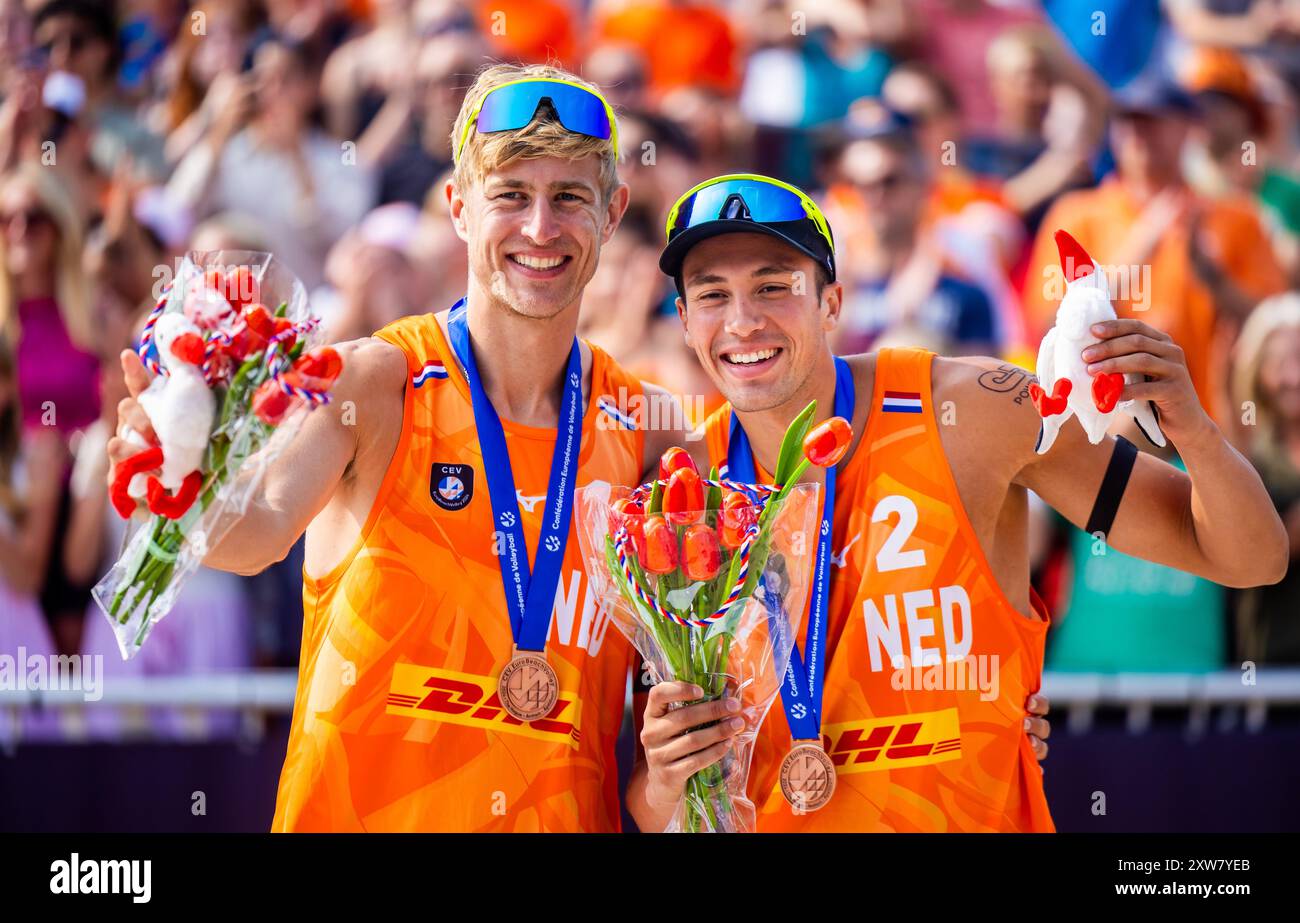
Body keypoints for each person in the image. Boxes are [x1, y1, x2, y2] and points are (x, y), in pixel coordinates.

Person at [109, 63, 687, 831]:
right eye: (511, 195)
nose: (541, 229)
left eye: (570, 198)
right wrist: (174, 480)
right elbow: (259, 530)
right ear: (457, 207)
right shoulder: (379, 379)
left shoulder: (647, 430)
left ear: (613, 213)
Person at [628, 173, 1287, 832]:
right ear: (684, 321)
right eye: (712, 295)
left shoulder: (972, 409)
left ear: (831, 301)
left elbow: (1250, 555)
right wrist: (664, 777)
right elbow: (653, 805)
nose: (743, 320)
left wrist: (1193, 430)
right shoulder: (684, 495)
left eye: (774, 286)